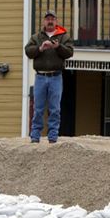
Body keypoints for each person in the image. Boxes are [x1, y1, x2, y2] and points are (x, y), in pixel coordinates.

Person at [24, 10, 74, 143]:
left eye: (52, 19)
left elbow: (69, 52)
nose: (50, 21)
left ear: (56, 22)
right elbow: (28, 51)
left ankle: (52, 136)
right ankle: (35, 136)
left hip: (56, 77)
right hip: (40, 76)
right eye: (47, 19)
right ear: (44, 22)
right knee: (38, 108)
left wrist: (57, 46)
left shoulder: (63, 37)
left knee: (55, 109)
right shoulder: (36, 37)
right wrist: (40, 49)